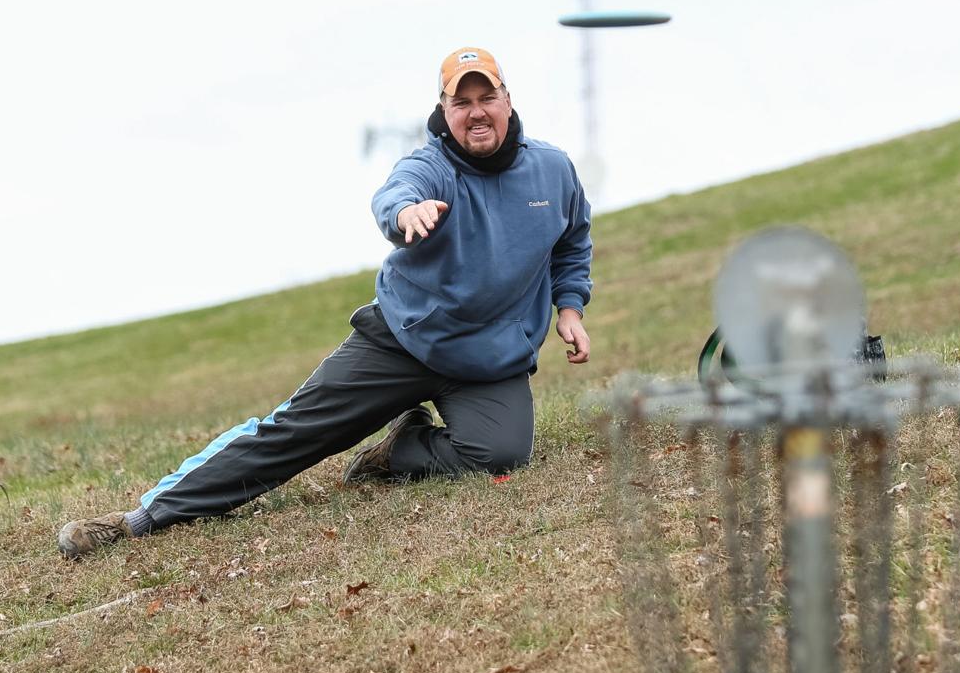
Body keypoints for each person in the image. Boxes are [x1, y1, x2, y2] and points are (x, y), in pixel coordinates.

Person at [57, 46, 592, 559]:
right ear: (443, 112)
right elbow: (394, 195)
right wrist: (405, 214)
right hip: (404, 342)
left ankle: (399, 450)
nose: (477, 113)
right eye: (461, 102)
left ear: (508, 100)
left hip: (489, 362)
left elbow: (572, 239)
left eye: (487, 98)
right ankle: (141, 517)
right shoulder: (429, 167)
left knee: (501, 455)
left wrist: (569, 307)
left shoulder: (552, 169)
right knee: (293, 433)